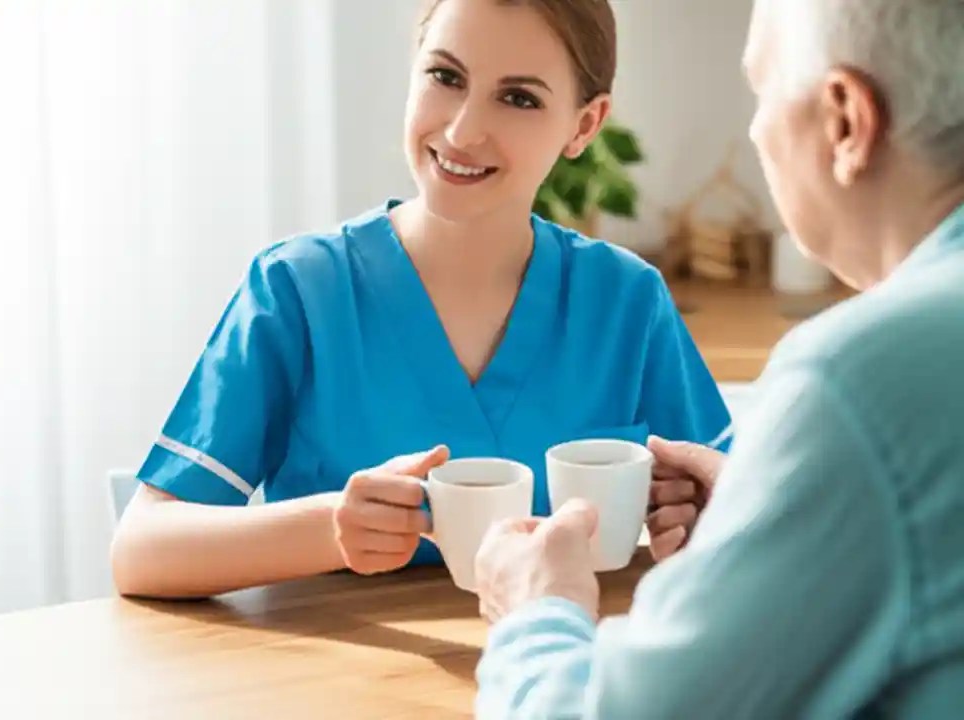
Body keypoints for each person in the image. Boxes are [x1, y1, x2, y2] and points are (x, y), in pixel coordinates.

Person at [110, 0, 729, 600]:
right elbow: (141, 549)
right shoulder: (298, 290)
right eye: (446, 77)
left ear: (584, 125)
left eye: (519, 98)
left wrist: (710, 526)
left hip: (563, 665)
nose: (462, 131)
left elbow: (745, 512)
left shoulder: (627, 303)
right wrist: (331, 530)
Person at [473, 0, 964, 716]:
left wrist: (536, 608)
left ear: (845, 122)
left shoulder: (856, 380)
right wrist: (782, 525)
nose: (756, 131)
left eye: (761, 92)